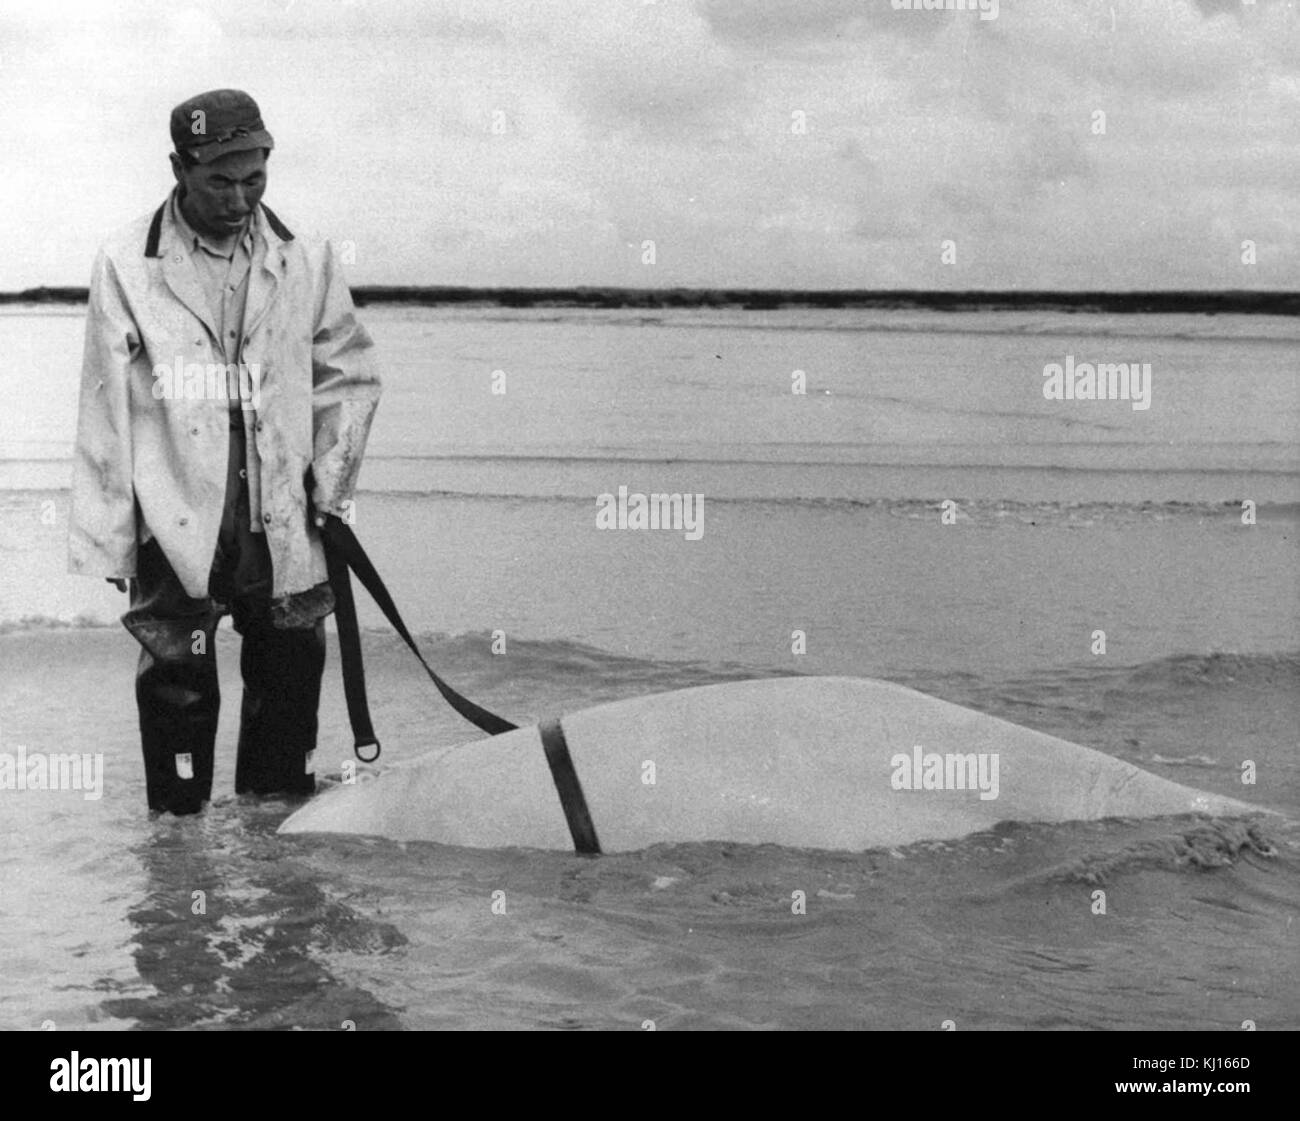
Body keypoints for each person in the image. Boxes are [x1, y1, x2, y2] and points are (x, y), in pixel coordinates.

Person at [68, 89, 381, 814]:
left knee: (290, 668)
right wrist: (112, 540)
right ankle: (178, 858)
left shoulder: (305, 256)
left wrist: (330, 488)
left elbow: (350, 372)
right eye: (220, 180)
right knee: (178, 679)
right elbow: (103, 408)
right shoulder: (126, 261)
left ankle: (271, 839)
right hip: (176, 509)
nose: (240, 198)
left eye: (256, 178)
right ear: (180, 167)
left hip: (280, 513)